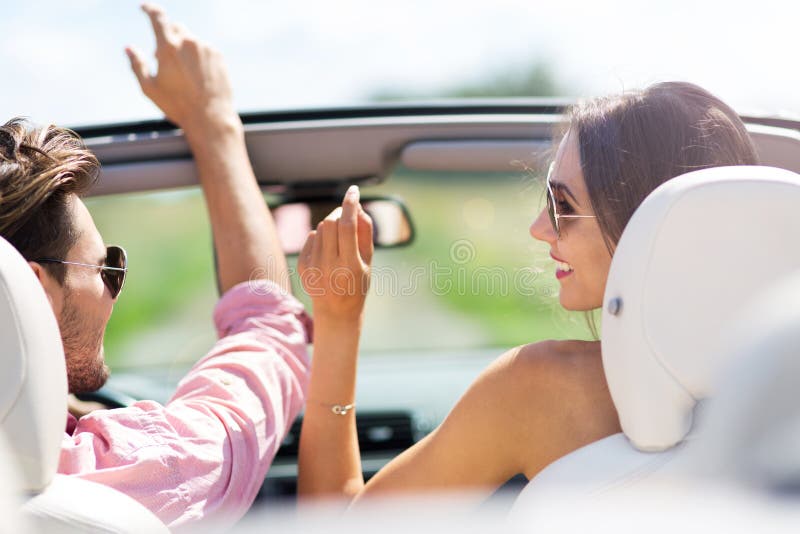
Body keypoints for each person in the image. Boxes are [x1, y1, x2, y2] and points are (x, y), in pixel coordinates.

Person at [295, 82, 759, 502]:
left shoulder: (542, 388)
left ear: (646, 221)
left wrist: (338, 321)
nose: (539, 228)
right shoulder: (777, 382)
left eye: (562, 206)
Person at [0, 4, 310, 530]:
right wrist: (213, 121)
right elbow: (268, 331)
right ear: (31, 291)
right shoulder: (129, 470)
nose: (114, 290)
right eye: (107, 269)